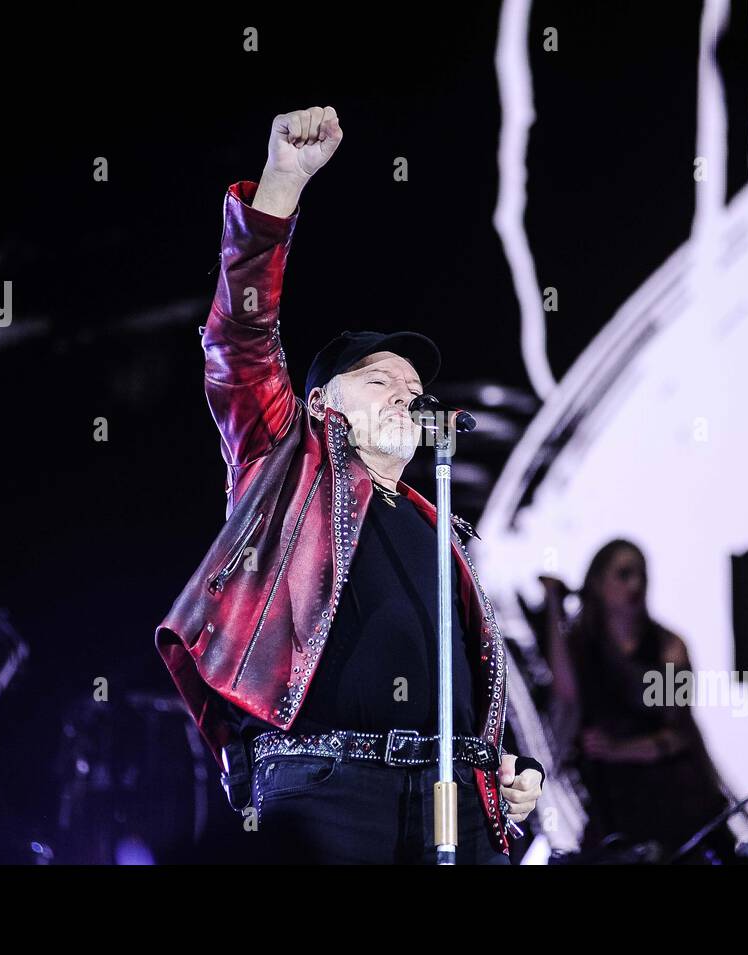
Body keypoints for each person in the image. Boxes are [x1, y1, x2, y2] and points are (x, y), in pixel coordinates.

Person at [154, 106, 543, 864]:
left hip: (453, 800)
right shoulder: (288, 467)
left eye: (413, 384)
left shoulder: (448, 533)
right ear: (324, 402)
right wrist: (279, 187)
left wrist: (500, 771)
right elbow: (240, 338)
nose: (407, 392)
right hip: (329, 790)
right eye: (379, 379)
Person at [542, 539, 737, 861]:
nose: (636, 585)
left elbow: (678, 734)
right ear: (598, 582)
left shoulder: (668, 647)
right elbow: (566, 693)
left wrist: (618, 750)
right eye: (624, 574)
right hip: (613, 805)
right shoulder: (581, 646)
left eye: (642, 575)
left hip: (673, 800)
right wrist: (552, 604)